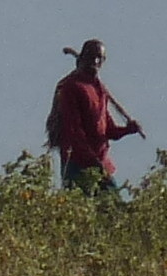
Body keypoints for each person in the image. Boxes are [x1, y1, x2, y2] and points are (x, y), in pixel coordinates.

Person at [47, 39, 143, 194]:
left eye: (100, 58)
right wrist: (93, 162)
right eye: (92, 56)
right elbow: (74, 132)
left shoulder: (98, 89)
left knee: (113, 210)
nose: (96, 61)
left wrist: (127, 130)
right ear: (83, 57)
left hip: (100, 162)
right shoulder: (71, 87)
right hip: (77, 163)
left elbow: (108, 129)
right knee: (80, 210)